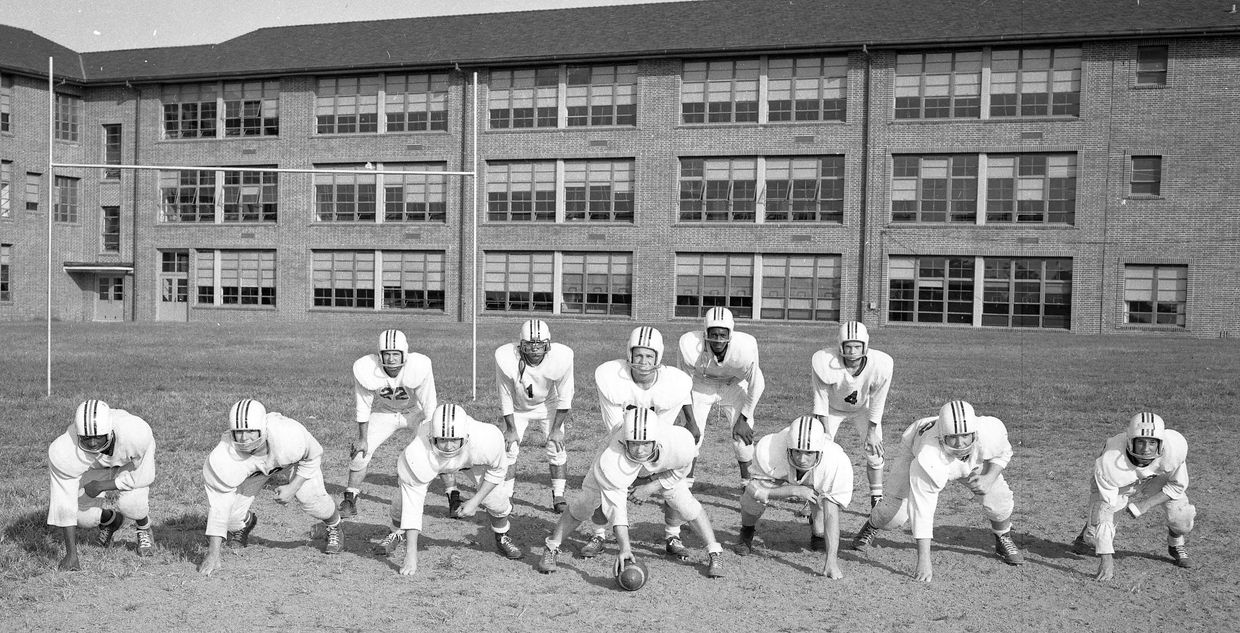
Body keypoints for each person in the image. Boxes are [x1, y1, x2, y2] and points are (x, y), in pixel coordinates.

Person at [536, 407, 723, 578]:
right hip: (621, 464)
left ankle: (715, 551)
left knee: (685, 504)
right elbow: (618, 511)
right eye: (633, 443)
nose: (640, 450)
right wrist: (625, 549)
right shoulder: (611, 459)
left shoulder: (679, 444)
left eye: (645, 443)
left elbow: (681, 468)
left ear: (656, 441)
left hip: (661, 466)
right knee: (585, 503)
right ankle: (551, 546)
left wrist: (651, 486)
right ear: (624, 442)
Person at [851, 400, 1025, 582]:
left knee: (998, 498)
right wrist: (924, 561)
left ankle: (1002, 536)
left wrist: (988, 479)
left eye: (965, 435)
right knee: (893, 516)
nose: (960, 444)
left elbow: (1003, 452)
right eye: (952, 437)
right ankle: (873, 523)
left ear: (975, 432)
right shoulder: (928, 454)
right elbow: (922, 508)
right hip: (915, 450)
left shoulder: (989, 431)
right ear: (942, 436)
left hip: (972, 461)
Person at [198, 399, 344, 576]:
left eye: (251, 431)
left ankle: (334, 525)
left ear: (263, 428)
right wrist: (213, 554)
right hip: (257, 470)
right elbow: (219, 507)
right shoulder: (223, 457)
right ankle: (246, 523)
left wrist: (293, 487)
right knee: (230, 519)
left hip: (293, 460)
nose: (245, 439)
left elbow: (313, 456)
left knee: (313, 501)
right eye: (239, 433)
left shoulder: (288, 434)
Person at [584, 325, 695, 558]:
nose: (643, 362)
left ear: (658, 358)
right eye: (638, 355)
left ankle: (673, 534)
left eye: (649, 356)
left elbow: (662, 429)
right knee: (600, 486)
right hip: (621, 441)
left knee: (675, 488)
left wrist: (650, 471)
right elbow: (616, 427)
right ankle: (598, 534)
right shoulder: (611, 377)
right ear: (629, 354)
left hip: (654, 444)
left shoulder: (672, 382)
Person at [379, 404, 525, 576]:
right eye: (442, 440)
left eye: (454, 440)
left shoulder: (487, 439)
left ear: (466, 437)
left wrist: (475, 501)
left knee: (497, 501)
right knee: (403, 502)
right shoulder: (418, 452)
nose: (448, 447)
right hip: (434, 461)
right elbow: (414, 506)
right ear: (431, 437)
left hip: (470, 460)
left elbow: (498, 472)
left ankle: (502, 535)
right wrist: (411, 554)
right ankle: (396, 532)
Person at [1071, 412, 1196, 581]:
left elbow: (1177, 486)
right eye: (1141, 442)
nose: (1146, 449)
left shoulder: (1173, 450)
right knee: (1094, 539)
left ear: (1161, 443)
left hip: (1155, 478)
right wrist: (1107, 559)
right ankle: (1089, 529)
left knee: (1182, 518)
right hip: (1120, 482)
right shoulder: (1109, 462)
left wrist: (1145, 505)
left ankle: (1175, 543)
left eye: (1152, 442)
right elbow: (1106, 507)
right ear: (1130, 441)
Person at [339, 329, 448, 519]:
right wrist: (362, 438)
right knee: (360, 452)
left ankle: (452, 494)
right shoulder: (367, 369)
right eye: (387, 354)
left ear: (404, 354)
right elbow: (363, 405)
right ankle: (350, 497)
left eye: (395, 354)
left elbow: (429, 403)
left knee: (439, 447)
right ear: (380, 354)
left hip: (416, 412)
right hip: (385, 412)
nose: (391, 359)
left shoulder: (419, 366)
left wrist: (431, 432)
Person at [732, 415, 853, 578]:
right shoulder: (771, 449)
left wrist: (831, 561)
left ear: (819, 451)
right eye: (797, 451)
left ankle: (816, 529)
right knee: (751, 500)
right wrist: (793, 490)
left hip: (815, 477)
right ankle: (747, 531)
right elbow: (753, 489)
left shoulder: (835, 461)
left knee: (822, 523)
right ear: (788, 447)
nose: (802, 459)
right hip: (783, 471)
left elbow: (832, 512)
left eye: (809, 453)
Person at [47, 399, 157, 571]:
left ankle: (143, 527)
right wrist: (71, 555)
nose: (92, 443)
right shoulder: (63, 449)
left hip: (128, 461)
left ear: (110, 431)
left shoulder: (136, 434)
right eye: (86, 438)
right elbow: (63, 503)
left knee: (132, 505)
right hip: (95, 466)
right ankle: (111, 521)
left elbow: (143, 476)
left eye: (98, 437)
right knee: (83, 517)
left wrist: (102, 485)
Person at [677, 307, 765, 488]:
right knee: (691, 437)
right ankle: (685, 485)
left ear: (731, 333)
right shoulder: (689, 344)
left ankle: (749, 486)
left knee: (742, 438)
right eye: (713, 334)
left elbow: (757, 384)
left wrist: (744, 418)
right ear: (705, 332)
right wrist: (690, 421)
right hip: (702, 385)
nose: (718, 340)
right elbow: (682, 384)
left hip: (733, 385)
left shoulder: (746, 347)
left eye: (723, 335)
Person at [494, 319, 575, 513]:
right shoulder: (507, 359)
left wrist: (556, 430)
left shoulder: (561, 358)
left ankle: (558, 495)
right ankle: (507, 494)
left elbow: (565, 395)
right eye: (530, 344)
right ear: (521, 344)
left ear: (548, 344)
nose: (535, 348)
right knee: (509, 448)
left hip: (548, 404)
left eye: (540, 344)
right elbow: (504, 394)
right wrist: (511, 429)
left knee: (556, 447)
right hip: (518, 406)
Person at [811, 321, 894, 508]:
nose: (853, 351)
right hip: (832, 409)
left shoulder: (881, 364)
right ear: (840, 345)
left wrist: (872, 432)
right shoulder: (824, 362)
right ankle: (816, 494)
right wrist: (824, 431)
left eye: (857, 346)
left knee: (875, 450)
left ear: (865, 345)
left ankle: (876, 497)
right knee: (819, 450)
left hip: (863, 409)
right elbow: (820, 399)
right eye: (848, 346)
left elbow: (878, 401)